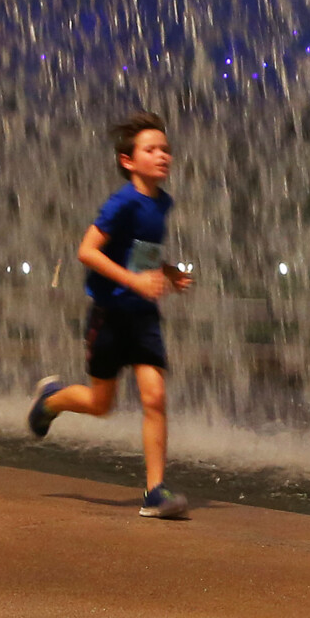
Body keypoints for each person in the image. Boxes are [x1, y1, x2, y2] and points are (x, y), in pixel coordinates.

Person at [25, 110, 196, 519]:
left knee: (155, 397)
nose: (162, 156)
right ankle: (51, 400)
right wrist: (134, 281)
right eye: (151, 150)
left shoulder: (162, 202)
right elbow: (87, 251)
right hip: (109, 315)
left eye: (165, 149)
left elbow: (140, 252)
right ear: (128, 161)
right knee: (101, 404)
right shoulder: (121, 203)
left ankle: (155, 492)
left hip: (143, 316)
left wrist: (167, 271)